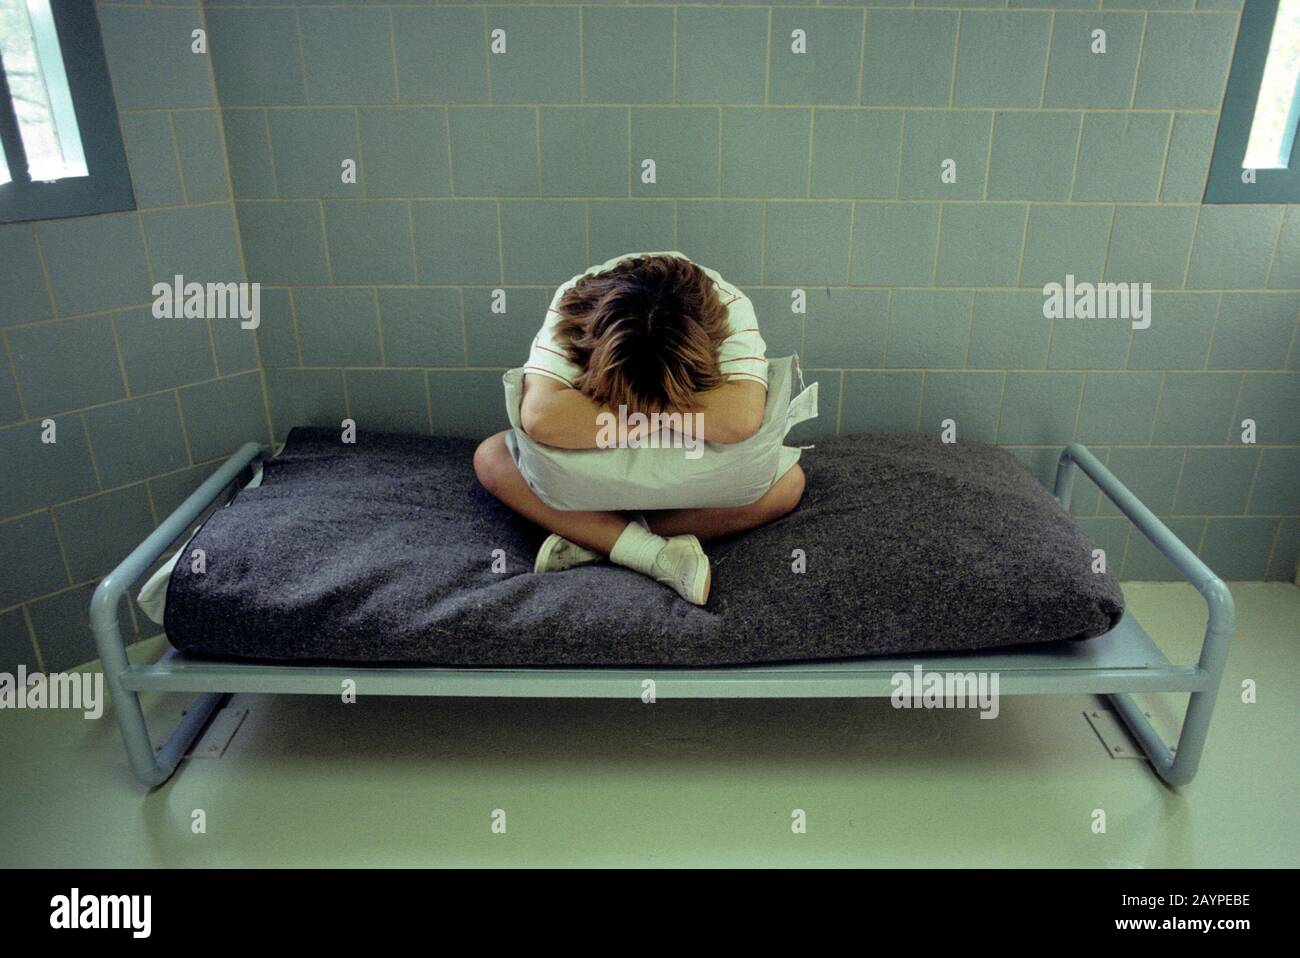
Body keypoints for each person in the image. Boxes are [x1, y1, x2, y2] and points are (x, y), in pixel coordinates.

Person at [473, 251, 806, 605]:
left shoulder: (729, 306)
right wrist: (673, 406)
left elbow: (740, 418)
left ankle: (603, 539)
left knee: (789, 484)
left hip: (666, 458)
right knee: (492, 458)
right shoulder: (574, 302)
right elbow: (542, 417)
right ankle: (649, 553)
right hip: (626, 455)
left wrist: (625, 407)